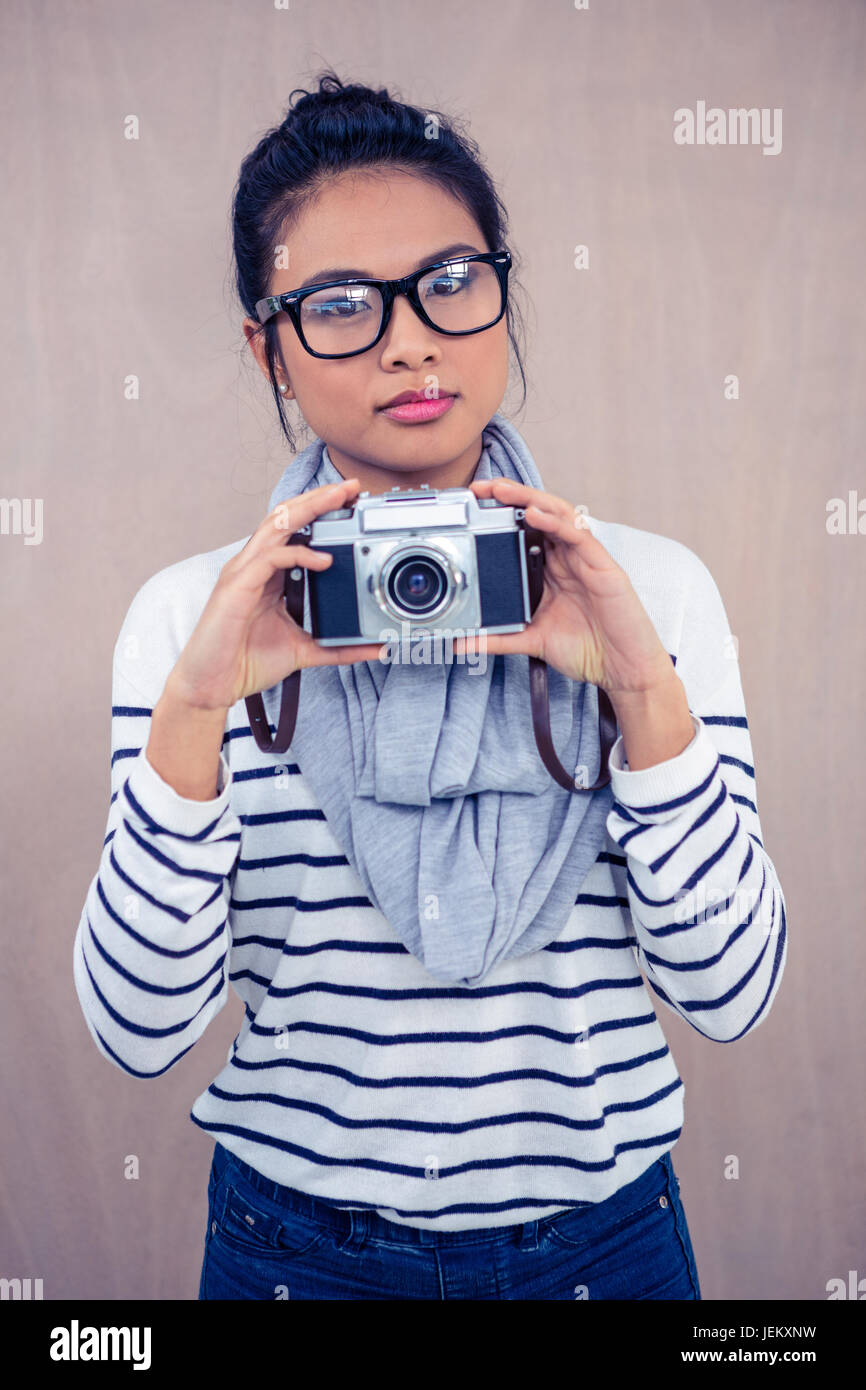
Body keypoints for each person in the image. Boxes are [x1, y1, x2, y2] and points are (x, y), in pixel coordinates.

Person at [73, 71, 787, 1301]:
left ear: (502, 297)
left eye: (450, 282)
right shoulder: (198, 619)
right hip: (294, 1253)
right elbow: (138, 1035)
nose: (409, 339)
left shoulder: (646, 589)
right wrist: (194, 720)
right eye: (339, 305)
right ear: (271, 350)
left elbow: (730, 996)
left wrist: (638, 692)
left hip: (598, 1250)